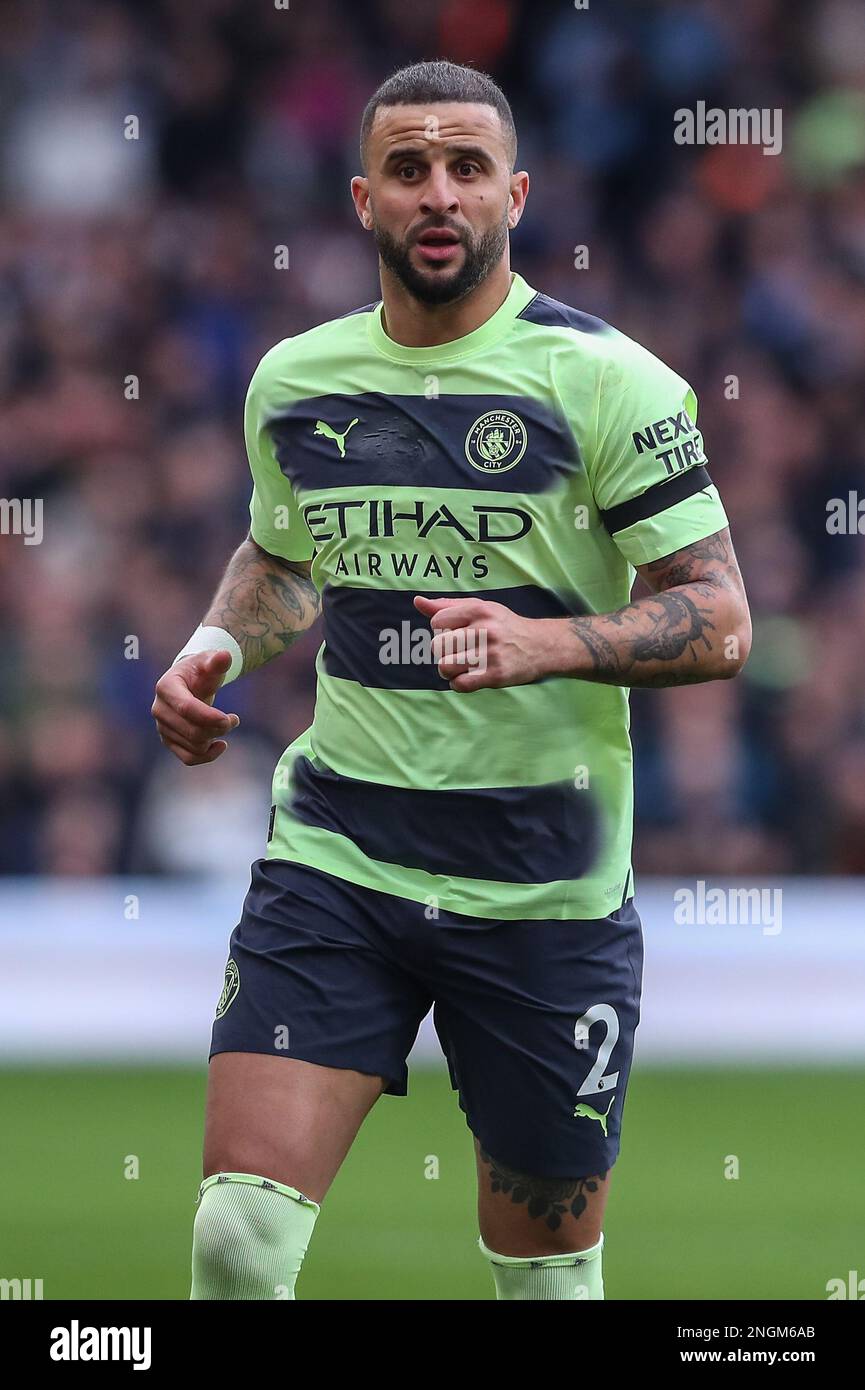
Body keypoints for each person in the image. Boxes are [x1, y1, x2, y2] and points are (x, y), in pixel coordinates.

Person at [151, 59, 751, 1301]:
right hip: (339, 860)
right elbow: (283, 559)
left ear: (514, 195)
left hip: (543, 893)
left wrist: (554, 640)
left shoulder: (607, 383)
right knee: (234, 1239)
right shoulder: (297, 381)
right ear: (362, 195)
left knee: (542, 1284)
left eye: (467, 168)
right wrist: (214, 646)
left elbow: (721, 617)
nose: (440, 194)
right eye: (411, 170)